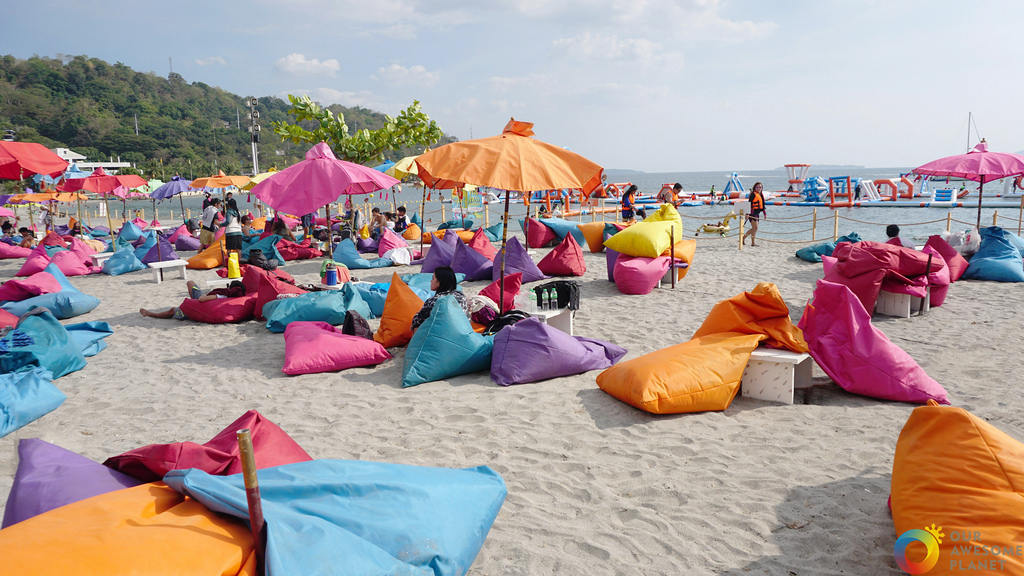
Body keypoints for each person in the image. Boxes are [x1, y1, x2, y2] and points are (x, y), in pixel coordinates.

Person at [139, 280, 246, 320]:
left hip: (199, 307)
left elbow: (201, 299)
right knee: (190, 283)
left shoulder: (221, 296)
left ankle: (151, 314)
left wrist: (212, 296)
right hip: (206, 305)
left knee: (172, 310)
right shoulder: (237, 299)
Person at [742, 182, 766, 247]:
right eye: (757, 187)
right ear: (755, 187)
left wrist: (764, 214)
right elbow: (749, 204)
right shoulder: (753, 194)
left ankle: (746, 239)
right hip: (751, 213)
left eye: (760, 187)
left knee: (755, 228)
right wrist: (747, 213)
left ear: (762, 188)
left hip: (757, 213)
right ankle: (748, 240)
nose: (758, 188)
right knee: (755, 227)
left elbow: (763, 205)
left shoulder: (761, 195)